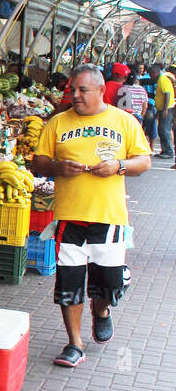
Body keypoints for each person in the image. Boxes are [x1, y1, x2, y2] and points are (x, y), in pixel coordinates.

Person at [30, 64, 151, 368]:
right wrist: (57, 167)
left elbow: (144, 161)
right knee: (69, 285)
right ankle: (75, 344)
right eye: (72, 90)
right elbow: (38, 162)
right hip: (69, 218)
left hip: (109, 217)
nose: (75, 95)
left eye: (82, 90)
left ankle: (102, 310)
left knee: (109, 283)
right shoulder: (57, 123)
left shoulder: (124, 121)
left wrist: (119, 166)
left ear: (100, 90)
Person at [152, 63, 174, 159]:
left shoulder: (163, 79)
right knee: (161, 130)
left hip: (167, 109)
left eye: (151, 74)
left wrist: (165, 109)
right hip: (162, 109)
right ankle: (164, 150)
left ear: (155, 73)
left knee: (164, 130)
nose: (151, 77)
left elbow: (167, 94)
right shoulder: (161, 80)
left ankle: (168, 151)